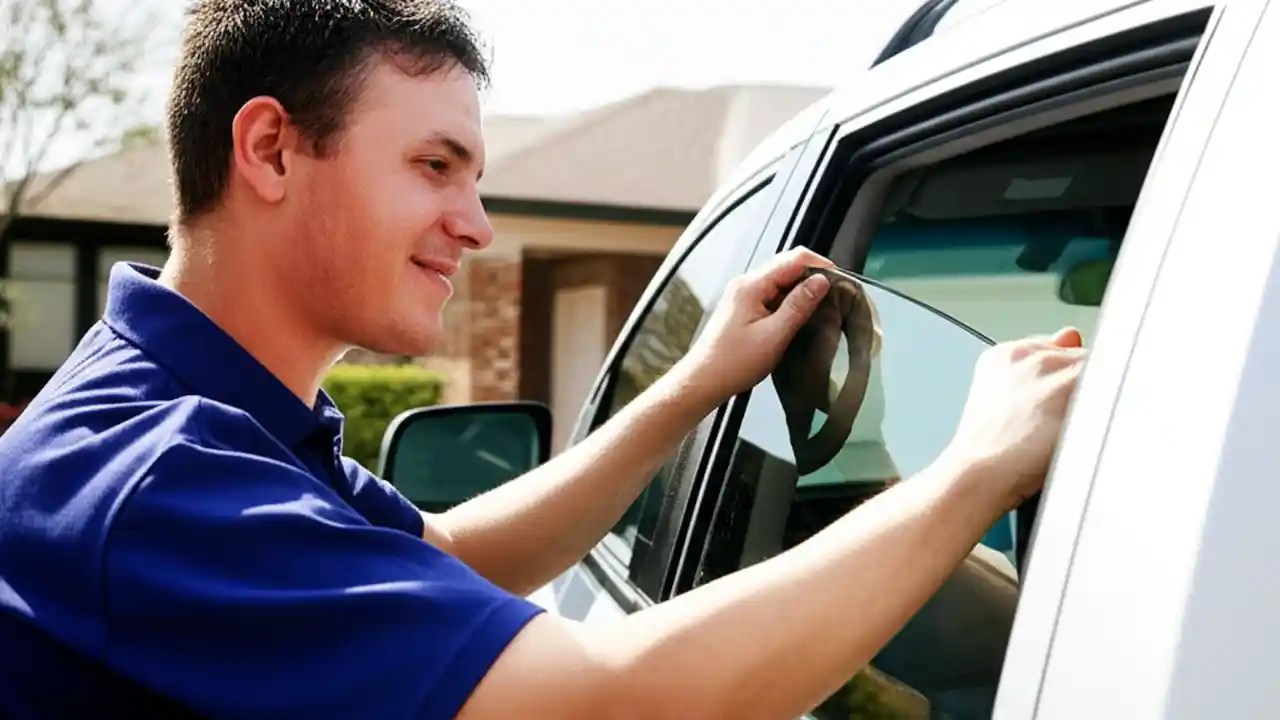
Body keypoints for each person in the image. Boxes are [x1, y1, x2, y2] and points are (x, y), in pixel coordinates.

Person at [0, 2, 1088, 718]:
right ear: (272, 149)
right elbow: (602, 704)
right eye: (435, 165)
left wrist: (693, 385)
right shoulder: (154, 473)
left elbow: (459, 559)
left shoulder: (213, 416)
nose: (474, 224)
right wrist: (977, 465)